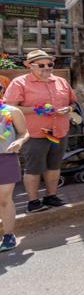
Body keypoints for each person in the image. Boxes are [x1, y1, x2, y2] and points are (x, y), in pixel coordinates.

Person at [4, 50, 76, 213]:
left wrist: (69, 109)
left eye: (50, 64)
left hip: (59, 132)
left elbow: (73, 103)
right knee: (33, 168)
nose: (47, 68)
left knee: (54, 166)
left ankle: (51, 196)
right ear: (29, 65)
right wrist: (39, 110)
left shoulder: (61, 81)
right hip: (34, 133)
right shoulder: (19, 83)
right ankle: (33, 202)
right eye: (41, 65)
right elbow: (10, 108)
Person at [0, 96, 29, 252]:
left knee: (4, 199)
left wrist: (19, 141)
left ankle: (8, 235)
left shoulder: (12, 111)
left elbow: (24, 133)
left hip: (5, 158)